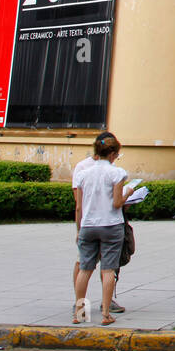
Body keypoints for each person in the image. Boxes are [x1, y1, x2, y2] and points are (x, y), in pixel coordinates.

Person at [73, 134, 134, 325]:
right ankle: (106, 314)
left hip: (88, 225)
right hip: (110, 225)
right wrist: (129, 193)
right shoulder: (117, 173)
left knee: (85, 269)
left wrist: (79, 229)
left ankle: (79, 313)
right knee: (108, 270)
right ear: (113, 153)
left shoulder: (83, 174)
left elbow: (79, 207)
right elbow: (116, 203)